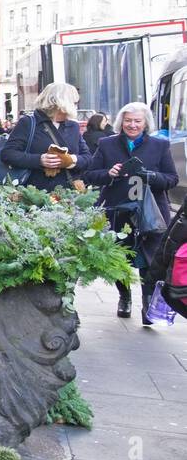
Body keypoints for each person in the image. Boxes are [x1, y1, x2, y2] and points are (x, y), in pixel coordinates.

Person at [83, 102, 179, 323]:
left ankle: (147, 305)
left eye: (137, 121)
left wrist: (151, 176)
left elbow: (172, 179)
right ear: (121, 122)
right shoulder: (107, 144)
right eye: (128, 120)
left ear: (145, 123)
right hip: (118, 211)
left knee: (150, 260)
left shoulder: (160, 145)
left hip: (151, 214)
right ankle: (124, 297)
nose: (132, 125)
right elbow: (90, 175)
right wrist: (109, 173)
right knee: (119, 259)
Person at [0, 83, 91, 192]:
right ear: (61, 102)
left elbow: (88, 158)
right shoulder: (28, 122)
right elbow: (7, 154)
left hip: (68, 194)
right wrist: (39, 160)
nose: (76, 106)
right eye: (74, 102)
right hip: (34, 194)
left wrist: (71, 160)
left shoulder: (73, 126)